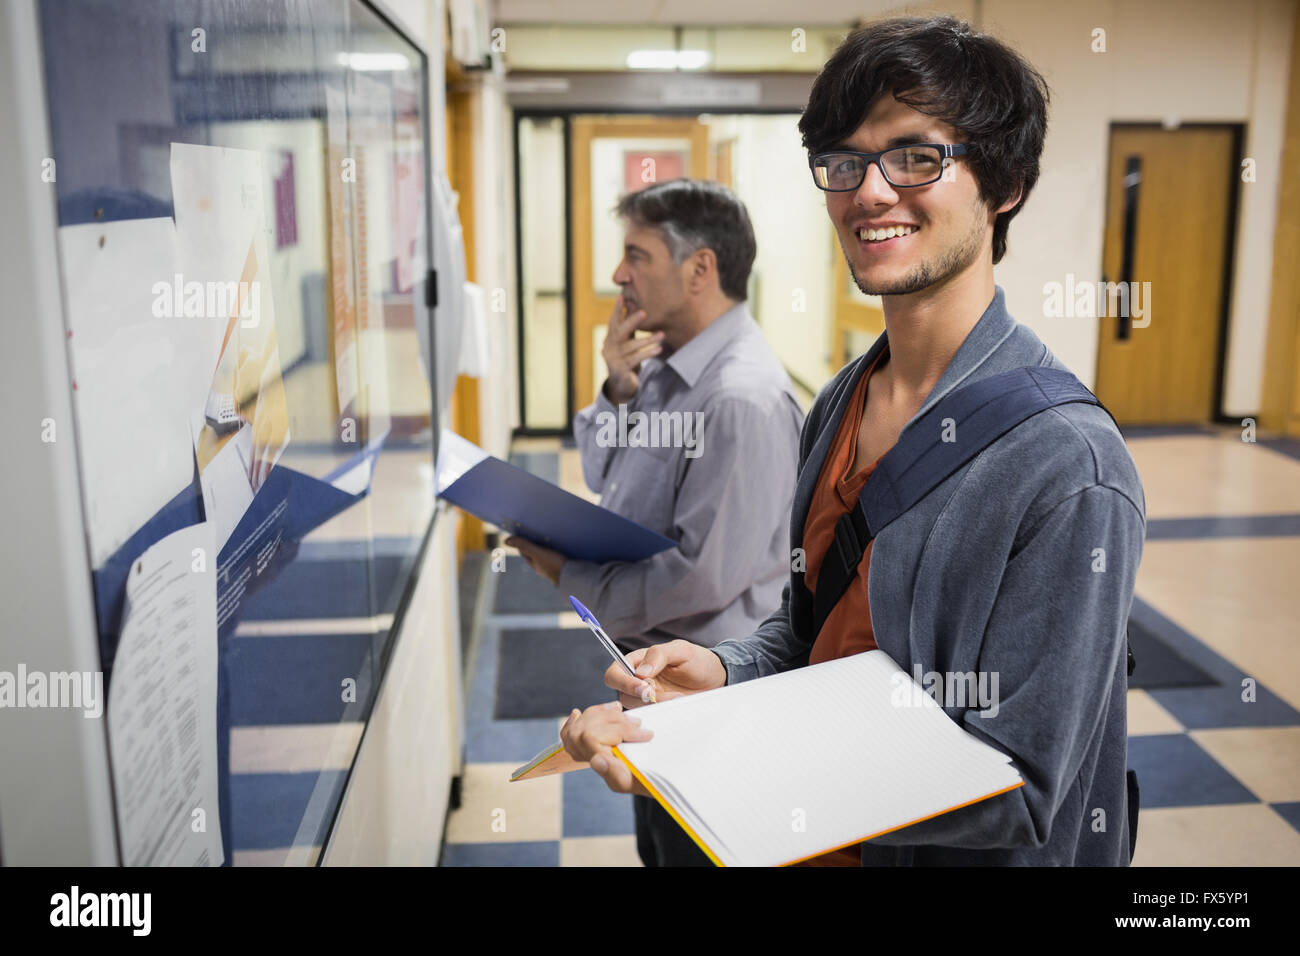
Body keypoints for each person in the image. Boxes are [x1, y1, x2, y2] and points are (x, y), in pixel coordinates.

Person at [560, 15, 1146, 867]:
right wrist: (724, 673)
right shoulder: (842, 399)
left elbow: (1020, 795)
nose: (869, 192)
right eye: (844, 162)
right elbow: (808, 635)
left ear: (1006, 182)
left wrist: (730, 764)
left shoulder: (1067, 467)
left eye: (916, 157)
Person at [508, 178, 804, 866]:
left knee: (699, 852)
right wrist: (617, 387)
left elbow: (703, 576)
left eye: (636, 256)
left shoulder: (739, 398)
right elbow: (612, 482)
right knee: (662, 847)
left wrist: (568, 571)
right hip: (656, 681)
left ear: (700, 268)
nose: (618, 275)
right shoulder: (672, 367)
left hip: (711, 694)